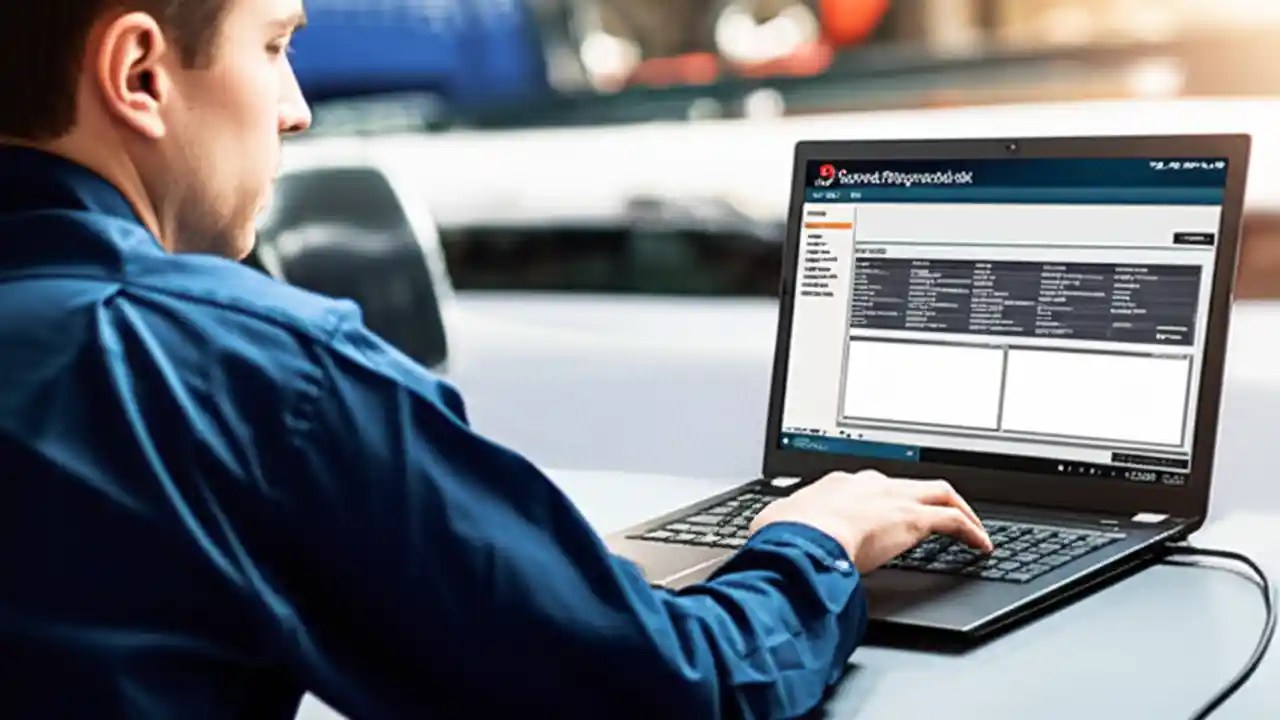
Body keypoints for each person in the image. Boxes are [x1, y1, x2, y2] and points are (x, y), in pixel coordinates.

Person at [0, 1, 993, 718]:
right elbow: (668, 694)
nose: (296, 108)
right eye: (273, 46)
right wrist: (809, 544)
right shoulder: (245, 370)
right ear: (139, 73)